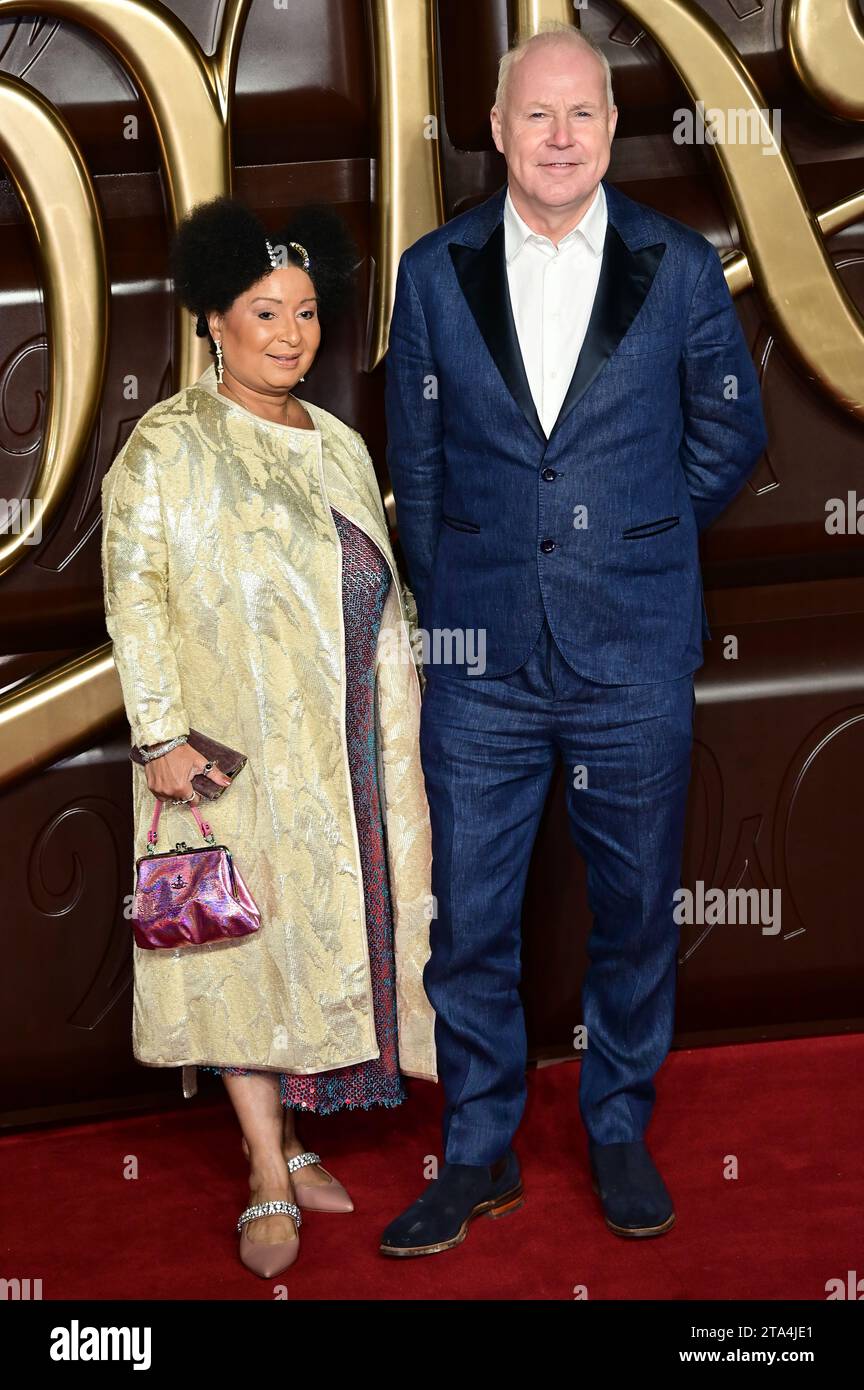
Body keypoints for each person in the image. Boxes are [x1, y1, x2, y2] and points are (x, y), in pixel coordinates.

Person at [381, 23, 768, 1256]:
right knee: (472, 919)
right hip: (480, 664)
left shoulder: (680, 265)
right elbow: (419, 471)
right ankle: (480, 1150)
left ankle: (616, 1128)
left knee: (637, 907)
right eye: (535, 115)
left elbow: (729, 437)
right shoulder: (435, 272)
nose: (559, 137)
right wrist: (465, 597)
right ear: (496, 131)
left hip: (633, 649)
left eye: (582, 115)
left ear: (611, 129)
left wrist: (636, 539)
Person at [100, 197, 436, 1279]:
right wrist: (158, 735)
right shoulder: (167, 446)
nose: (290, 334)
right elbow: (135, 595)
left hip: (343, 748)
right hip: (223, 757)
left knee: (305, 943)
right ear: (212, 320)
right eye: (263, 313)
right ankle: (262, 1168)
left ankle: (294, 1139)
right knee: (239, 951)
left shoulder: (333, 441)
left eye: (304, 313)